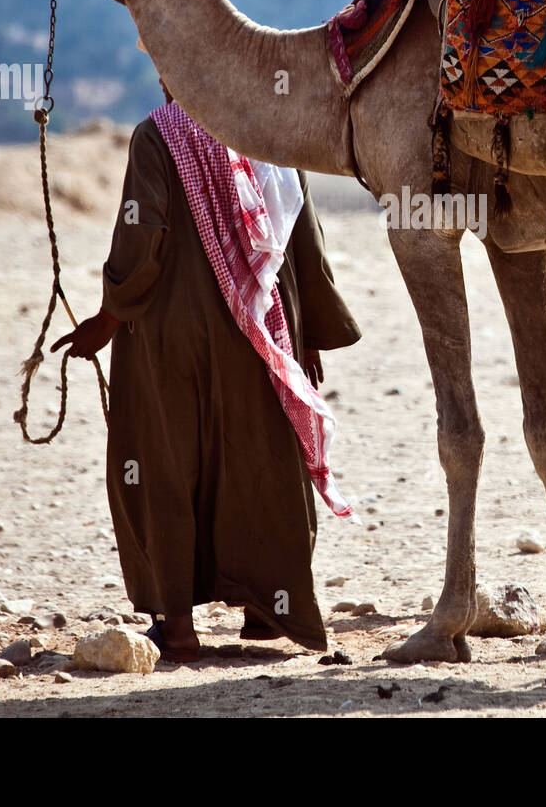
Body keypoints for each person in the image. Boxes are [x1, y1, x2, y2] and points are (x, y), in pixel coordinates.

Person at [53, 80, 360, 661]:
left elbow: (142, 240)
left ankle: (178, 628)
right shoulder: (270, 129)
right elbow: (304, 241)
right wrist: (309, 331)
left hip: (171, 339)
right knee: (261, 463)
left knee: (166, 468)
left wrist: (108, 317)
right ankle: (269, 611)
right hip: (263, 333)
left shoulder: (157, 136)